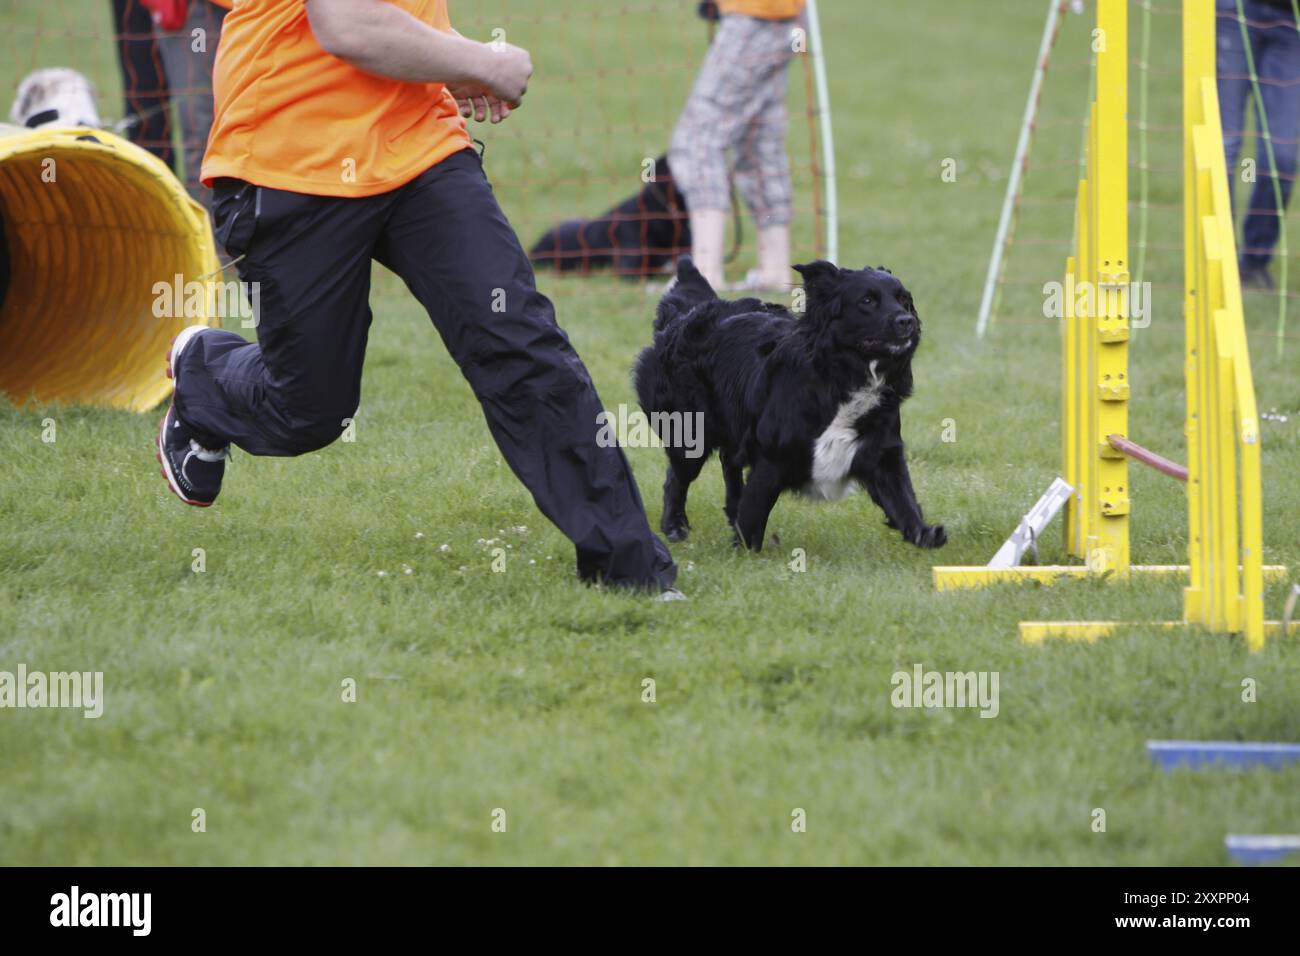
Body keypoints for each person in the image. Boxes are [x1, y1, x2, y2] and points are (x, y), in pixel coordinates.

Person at [156, 0, 680, 596]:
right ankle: (205, 372)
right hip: (289, 164)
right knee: (310, 409)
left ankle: (629, 569)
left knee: (516, 337)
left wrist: (450, 59)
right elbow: (348, 25)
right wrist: (484, 60)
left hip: (420, 151)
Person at [668, 0, 805, 291]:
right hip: (783, 18)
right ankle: (775, 269)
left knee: (697, 142)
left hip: (751, 19)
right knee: (758, 143)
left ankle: (704, 275)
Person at [1217, 0, 1300, 289]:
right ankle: (1218, 261)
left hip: (1292, 23)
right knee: (1224, 146)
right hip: (1235, 11)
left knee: (1282, 157)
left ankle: (1255, 261)